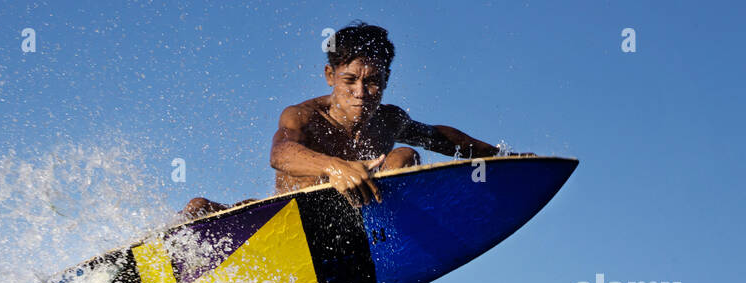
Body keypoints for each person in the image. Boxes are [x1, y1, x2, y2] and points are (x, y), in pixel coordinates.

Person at [180, 22, 504, 220]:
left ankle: (386, 226)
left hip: (356, 216)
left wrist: (502, 158)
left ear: (386, 80)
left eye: (373, 81)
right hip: (290, 217)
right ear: (329, 76)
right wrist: (336, 167)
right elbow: (279, 155)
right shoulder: (304, 116)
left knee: (405, 156)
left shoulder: (389, 120)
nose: (361, 92)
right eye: (349, 81)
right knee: (200, 208)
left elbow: (439, 138)